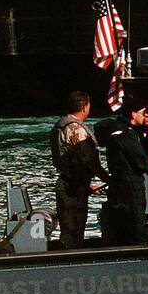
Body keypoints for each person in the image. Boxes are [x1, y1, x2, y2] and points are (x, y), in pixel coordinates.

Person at [50, 91, 109, 249]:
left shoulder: (61, 125)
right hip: (73, 190)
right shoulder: (77, 129)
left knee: (69, 229)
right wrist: (108, 179)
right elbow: (89, 160)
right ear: (85, 107)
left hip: (69, 184)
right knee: (73, 232)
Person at [103, 100, 148, 244]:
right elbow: (142, 164)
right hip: (131, 188)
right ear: (133, 114)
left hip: (118, 186)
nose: (145, 117)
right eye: (143, 113)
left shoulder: (118, 131)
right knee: (137, 228)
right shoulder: (126, 134)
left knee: (123, 228)